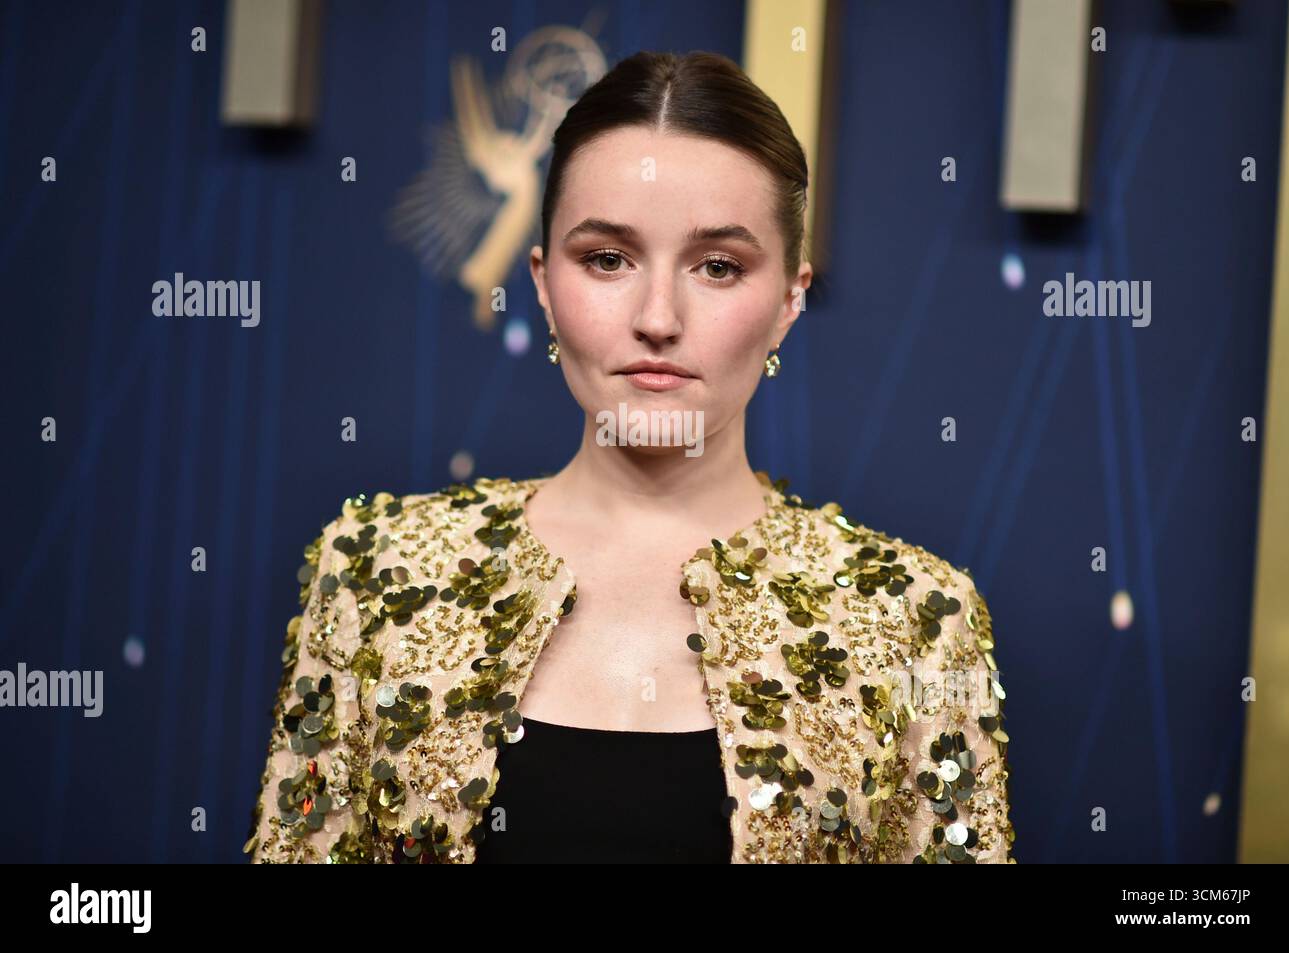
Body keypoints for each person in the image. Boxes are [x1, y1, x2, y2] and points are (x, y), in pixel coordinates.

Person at [245, 50, 1013, 864]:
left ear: (790, 298)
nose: (657, 317)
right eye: (608, 259)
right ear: (543, 283)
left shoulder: (916, 620)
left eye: (718, 266)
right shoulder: (375, 571)